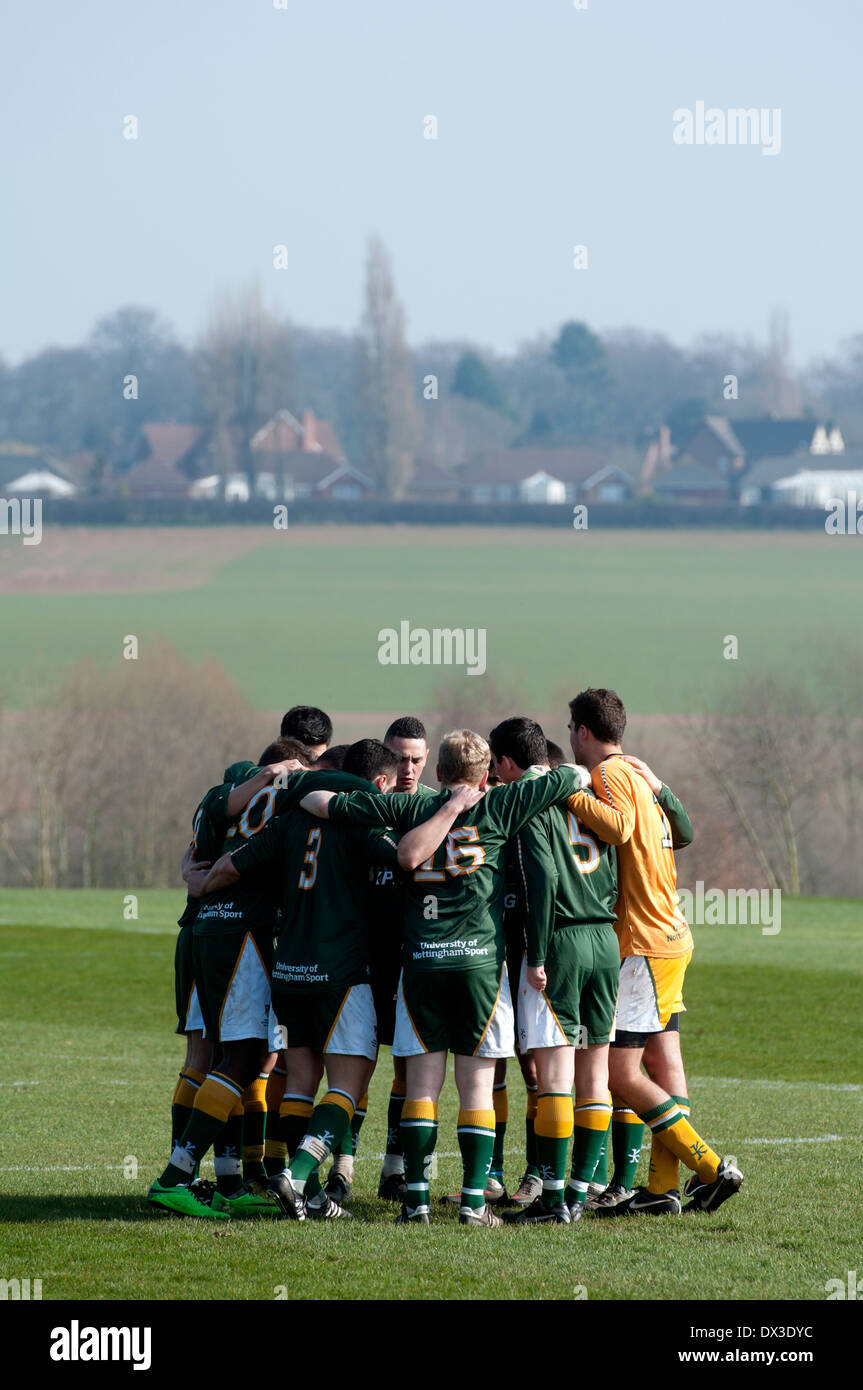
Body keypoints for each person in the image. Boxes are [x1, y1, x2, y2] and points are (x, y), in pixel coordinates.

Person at [300, 730, 590, 1227]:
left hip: (422, 965)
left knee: (422, 1089)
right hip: (479, 967)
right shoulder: (501, 804)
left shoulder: (414, 809)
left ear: (437, 772)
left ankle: (415, 1202)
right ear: (485, 776)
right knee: (477, 1088)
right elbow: (574, 775)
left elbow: (319, 801)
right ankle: (475, 1203)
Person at [191, 740, 403, 1220]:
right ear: (376, 784)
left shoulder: (287, 821)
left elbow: (229, 865)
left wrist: (198, 886)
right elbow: (407, 860)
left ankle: (302, 1198)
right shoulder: (360, 823)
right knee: (350, 1081)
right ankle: (298, 1175)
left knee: (300, 1082)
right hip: (342, 973)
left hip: (287, 974)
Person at [565, 688, 743, 1215]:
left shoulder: (605, 777)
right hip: (673, 939)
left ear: (583, 731)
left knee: (620, 1074)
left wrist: (570, 792)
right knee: (666, 1064)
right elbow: (683, 832)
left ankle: (709, 1168)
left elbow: (616, 828)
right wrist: (662, 786)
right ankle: (663, 1188)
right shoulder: (642, 777)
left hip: (641, 942)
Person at [487, 718, 619, 1225]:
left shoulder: (531, 801)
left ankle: (554, 1197)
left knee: (556, 1077)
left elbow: (542, 880)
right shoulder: (584, 791)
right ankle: (582, 1192)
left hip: (561, 942)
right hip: (604, 939)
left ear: (505, 763)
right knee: (596, 1074)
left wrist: (536, 955)